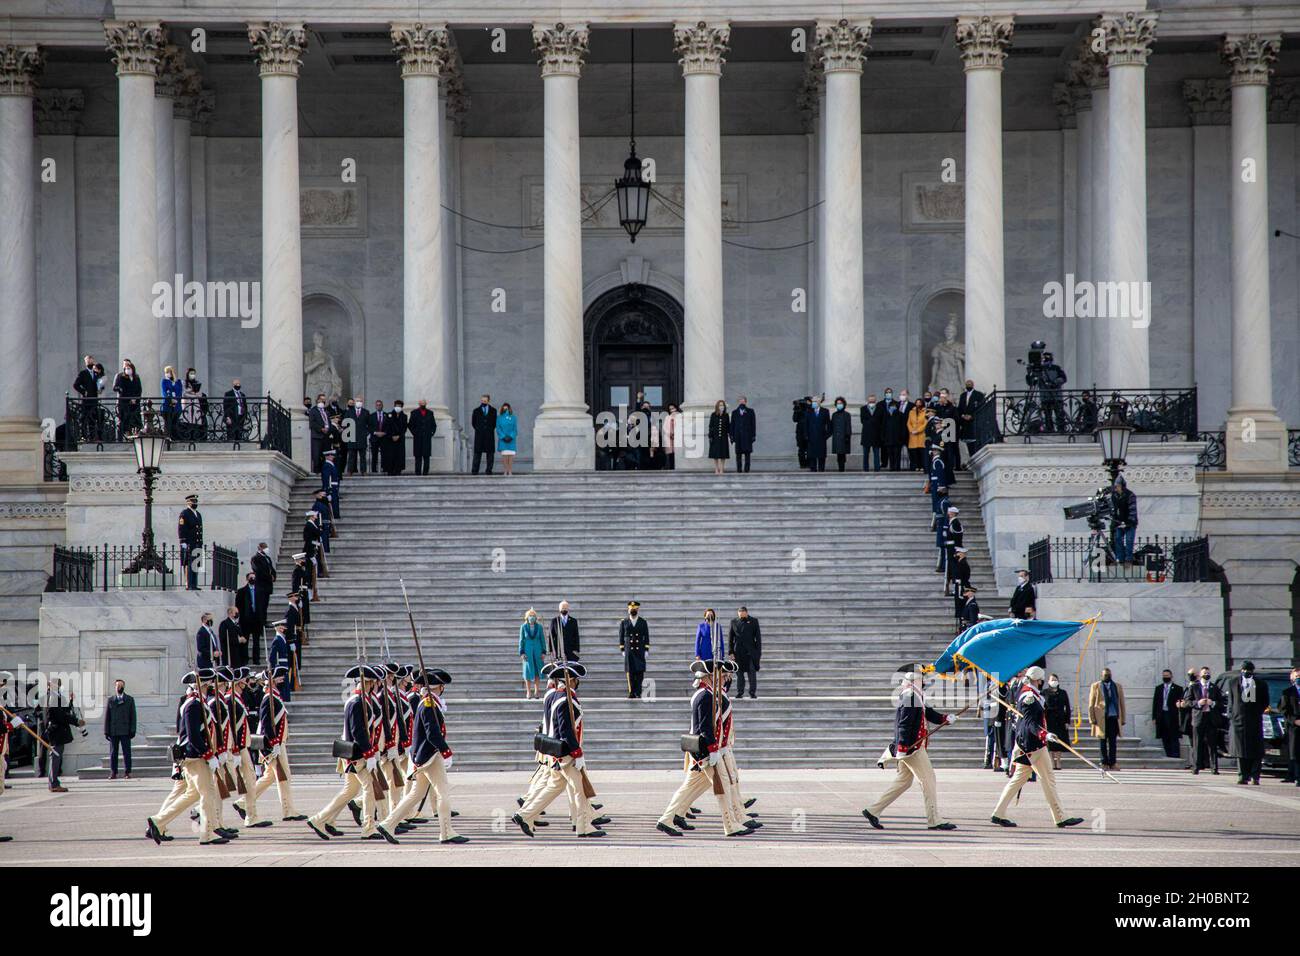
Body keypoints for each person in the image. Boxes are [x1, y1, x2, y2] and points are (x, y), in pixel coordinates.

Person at [656, 660, 750, 838]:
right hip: (705, 752)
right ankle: (730, 826)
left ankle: (666, 819)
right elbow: (704, 727)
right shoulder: (705, 696)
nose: (722, 679)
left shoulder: (708, 693)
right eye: (719, 676)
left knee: (689, 788)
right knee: (722, 788)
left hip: (705, 751)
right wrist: (713, 750)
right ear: (708, 677)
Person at [513, 662, 605, 838]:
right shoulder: (565, 700)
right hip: (566, 753)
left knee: (555, 787)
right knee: (580, 791)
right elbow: (566, 731)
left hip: (557, 753)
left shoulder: (556, 696)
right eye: (576, 680)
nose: (577, 683)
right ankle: (584, 827)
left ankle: (524, 814)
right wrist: (577, 753)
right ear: (570, 680)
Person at [375, 668, 467, 845]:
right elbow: (433, 734)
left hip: (423, 755)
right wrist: (446, 752)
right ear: (439, 687)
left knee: (416, 794)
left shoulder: (429, 702)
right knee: (443, 793)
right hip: (430, 756)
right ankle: (447, 832)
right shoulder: (429, 704)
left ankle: (388, 824)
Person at [862, 669, 957, 831]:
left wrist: (945, 719)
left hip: (912, 747)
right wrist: (903, 747)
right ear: (915, 681)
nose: (925, 683)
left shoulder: (915, 695)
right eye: (922, 681)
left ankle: (873, 810)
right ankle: (934, 819)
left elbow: (928, 713)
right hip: (912, 748)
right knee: (928, 781)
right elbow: (904, 724)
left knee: (903, 782)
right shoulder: (910, 696)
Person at [991, 666, 1085, 829]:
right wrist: (1044, 735)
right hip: (1033, 744)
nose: (1042, 682)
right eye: (1041, 680)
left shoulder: (1030, 693)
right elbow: (1030, 723)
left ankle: (998, 813)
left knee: (1020, 780)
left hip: (1029, 743)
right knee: (1048, 779)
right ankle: (1060, 817)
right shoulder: (1029, 696)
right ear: (1038, 680)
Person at [145, 669, 225, 846]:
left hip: (196, 756)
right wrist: (208, 755)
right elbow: (192, 735)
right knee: (208, 794)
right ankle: (207, 833)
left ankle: (158, 821)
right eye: (210, 683)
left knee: (192, 794)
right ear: (204, 684)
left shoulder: (199, 703)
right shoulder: (193, 705)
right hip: (195, 758)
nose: (213, 685)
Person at [307, 664, 384, 841]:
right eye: (373, 683)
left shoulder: (361, 701)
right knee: (369, 788)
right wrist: (370, 753)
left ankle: (323, 820)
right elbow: (358, 732)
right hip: (358, 755)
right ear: (369, 683)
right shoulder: (357, 703)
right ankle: (368, 828)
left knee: (349, 791)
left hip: (357, 753)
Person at [1223, 661, 1269, 785]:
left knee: (1255, 750)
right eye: (1244, 670)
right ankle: (1243, 775)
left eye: (1249, 670)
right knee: (1241, 750)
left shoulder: (1260, 683)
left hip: (1254, 720)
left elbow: (1265, 702)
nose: (1246, 672)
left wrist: (1257, 712)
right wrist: (1231, 715)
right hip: (1238, 721)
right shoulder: (1233, 682)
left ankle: (1255, 776)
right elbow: (1231, 701)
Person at [1184, 666, 1221, 774]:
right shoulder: (1194, 686)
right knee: (1197, 744)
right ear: (1200, 674)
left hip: (1211, 718)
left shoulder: (1214, 687)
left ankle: (1214, 768)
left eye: (1208, 673)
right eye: (1204, 673)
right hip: (1199, 718)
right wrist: (1198, 703)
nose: (1206, 675)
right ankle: (1196, 767)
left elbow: (1220, 702)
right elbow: (1187, 702)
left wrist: (1213, 703)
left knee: (1212, 744)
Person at [1088, 667, 1126, 770]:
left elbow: (1122, 703)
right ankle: (1104, 762)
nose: (1107, 677)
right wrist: (1092, 718)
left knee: (1113, 742)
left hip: (1113, 717)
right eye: (1105, 675)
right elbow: (1091, 703)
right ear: (1102, 676)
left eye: (1109, 675)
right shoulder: (1096, 686)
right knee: (1102, 741)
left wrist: (1123, 718)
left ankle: (1113, 763)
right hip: (1102, 718)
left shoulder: (1117, 686)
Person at [104, 679, 137, 780]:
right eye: (117, 686)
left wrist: (133, 730)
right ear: (115, 687)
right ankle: (113, 772)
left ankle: (128, 772)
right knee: (113, 753)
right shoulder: (111, 700)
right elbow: (107, 717)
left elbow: (133, 716)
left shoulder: (130, 699)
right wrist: (106, 731)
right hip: (113, 731)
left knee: (127, 752)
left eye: (121, 686)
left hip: (125, 730)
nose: (119, 688)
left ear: (124, 687)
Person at [727, 606, 761, 699]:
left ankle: (752, 692)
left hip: (750, 652)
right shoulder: (734, 622)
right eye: (739, 615)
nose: (741, 616)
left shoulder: (754, 621)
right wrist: (731, 652)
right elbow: (730, 638)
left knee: (752, 673)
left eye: (743, 615)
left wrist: (758, 653)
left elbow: (758, 638)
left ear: (746, 613)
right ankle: (740, 692)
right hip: (738, 652)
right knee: (739, 674)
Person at [619, 600, 650, 699]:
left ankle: (638, 692)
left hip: (639, 649)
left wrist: (646, 649)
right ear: (628, 610)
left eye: (635, 609)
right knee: (630, 672)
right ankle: (631, 692)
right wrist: (622, 649)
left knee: (639, 672)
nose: (633, 611)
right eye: (631, 609)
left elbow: (646, 636)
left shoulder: (643, 622)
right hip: (629, 650)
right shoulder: (624, 622)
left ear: (638, 609)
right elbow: (621, 636)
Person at [1151, 669, 1184, 760]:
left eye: (1167, 676)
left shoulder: (1178, 688)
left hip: (1172, 716)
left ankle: (1175, 756)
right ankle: (1168, 755)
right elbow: (1155, 703)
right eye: (1164, 676)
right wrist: (1154, 717)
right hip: (1161, 715)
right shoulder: (1159, 688)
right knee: (1164, 736)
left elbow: (1181, 702)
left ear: (1171, 676)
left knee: (1173, 736)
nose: (1165, 677)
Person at [1043, 674, 1072, 770]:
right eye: (1052, 680)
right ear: (1048, 681)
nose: (1054, 681)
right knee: (1050, 742)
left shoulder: (1063, 693)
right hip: (1049, 719)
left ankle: (1058, 761)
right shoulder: (1044, 692)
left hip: (1060, 719)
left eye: (1055, 679)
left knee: (1059, 741)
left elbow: (1067, 707)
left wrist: (1067, 721)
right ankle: (1051, 761)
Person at [1110, 474, 1138, 566]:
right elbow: (1113, 509)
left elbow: (1132, 510)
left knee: (1129, 539)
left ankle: (1128, 559)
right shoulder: (1114, 496)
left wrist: (1129, 522)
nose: (1116, 488)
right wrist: (1115, 520)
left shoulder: (1130, 495)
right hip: (1119, 521)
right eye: (1115, 486)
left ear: (1122, 486)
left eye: (1117, 486)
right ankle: (1119, 558)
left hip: (1129, 522)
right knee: (1118, 538)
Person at [518, 608, 546, 699]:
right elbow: (521, 640)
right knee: (528, 671)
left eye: (533, 616)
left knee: (538, 671)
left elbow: (542, 639)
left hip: (538, 651)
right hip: (527, 651)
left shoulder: (540, 627)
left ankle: (536, 692)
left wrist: (543, 651)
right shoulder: (523, 627)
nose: (532, 617)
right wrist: (521, 652)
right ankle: (528, 692)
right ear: (527, 617)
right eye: (530, 616)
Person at [235, 572, 263, 664]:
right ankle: (245, 659)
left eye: (254, 578)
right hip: (245, 620)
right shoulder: (241, 591)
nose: (253, 579)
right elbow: (238, 606)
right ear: (247, 579)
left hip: (256, 620)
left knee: (256, 641)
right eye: (251, 578)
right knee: (245, 641)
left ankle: (256, 659)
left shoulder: (259, 591)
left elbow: (263, 606)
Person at [1279, 667, 1300, 786]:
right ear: (1292, 679)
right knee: (1295, 753)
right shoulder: (1287, 692)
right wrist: (1294, 721)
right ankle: (1296, 777)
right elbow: (1284, 710)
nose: (1299, 679)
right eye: (1296, 677)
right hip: (1294, 727)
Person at [177, 493, 203, 590]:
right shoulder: (185, 513)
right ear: (188, 502)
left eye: (196, 501)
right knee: (189, 563)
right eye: (193, 501)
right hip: (189, 543)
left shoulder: (198, 514)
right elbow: (181, 528)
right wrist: (183, 541)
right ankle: (189, 584)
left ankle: (194, 584)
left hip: (197, 543)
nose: (195, 503)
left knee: (196, 564)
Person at [112, 358, 142, 440]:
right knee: (122, 421)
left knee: (134, 420)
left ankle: (133, 437)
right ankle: (120, 439)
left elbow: (139, 390)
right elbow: (116, 388)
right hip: (123, 402)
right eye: (125, 366)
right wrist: (121, 390)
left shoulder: (136, 377)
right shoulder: (120, 376)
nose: (126, 367)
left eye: (128, 366)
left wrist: (135, 399)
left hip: (134, 404)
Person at [956, 379, 985, 464]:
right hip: (965, 423)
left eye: (970, 383)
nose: (968, 385)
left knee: (974, 443)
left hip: (974, 422)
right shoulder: (963, 395)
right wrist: (962, 416)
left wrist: (972, 416)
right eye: (967, 384)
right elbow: (960, 408)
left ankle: (975, 460)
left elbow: (981, 408)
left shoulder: (979, 395)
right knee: (966, 443)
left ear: (973, 385)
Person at [1038, 350, 1067, 432]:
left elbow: (1063, 378)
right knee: (1047, 415)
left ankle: (1061, 429)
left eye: (1047, 357)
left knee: (1059, 414)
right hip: (1045, 396)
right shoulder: (1040, 370)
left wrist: (1054, 383)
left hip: (1056, 395)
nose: (1046, 359)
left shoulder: (1056, 368)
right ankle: (1049, 429)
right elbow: (1032, 382)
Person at [408, 398, 437, 475]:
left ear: (426, 404)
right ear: (419, 404)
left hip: (427, 438)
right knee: (418, 456)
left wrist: (431, 433)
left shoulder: (430, 413)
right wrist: (415, 433)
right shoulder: (414, 413)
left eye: (424, 404)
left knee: (426, 456)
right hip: (417, 437)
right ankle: (417, 472)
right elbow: (410, 425)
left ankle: (425, 472)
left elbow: (433, 425)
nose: (422, 405)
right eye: (421, 404)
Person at [342, 396, 369, 474]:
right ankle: (350, 471)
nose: (359, 402)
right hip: (352, 436)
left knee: (363, 456)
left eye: (360, 401)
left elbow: (369, 424)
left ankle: (363, 471)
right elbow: (345, 424)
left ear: (362, 402)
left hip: (362, 437)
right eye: (357, 401)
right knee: (351, 456)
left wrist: (366, 433)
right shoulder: (349, 412)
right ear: (354, 402)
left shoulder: (366, 412)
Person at [471, 394, 497, 475]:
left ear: (488, 401)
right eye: (482, 401)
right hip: (479, 435)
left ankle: (489, 470)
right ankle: (475, 470)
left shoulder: (493, 410)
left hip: (489, 435)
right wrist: (479, 429)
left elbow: (494, 423)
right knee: (477, 453)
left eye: (485, 401)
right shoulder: (476, 410)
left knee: (490, 453)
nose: (483, 402)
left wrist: (489, 429)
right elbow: (473, 423)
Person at [879, 389, 904, 471]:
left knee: (897, 454)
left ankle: (897, 467)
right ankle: (892, 467)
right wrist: (883, 437)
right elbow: (883, 427)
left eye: (894, 407)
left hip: (897, 440)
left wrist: (902, 437)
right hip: (888, 439)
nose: (892, 408)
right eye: (891, 407)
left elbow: (902, 427)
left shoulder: (900, 415)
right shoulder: (886, 415)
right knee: (890, 454)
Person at [803, 396, 830, 472]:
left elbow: (829, 425)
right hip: (811, 438)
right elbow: (806, 425)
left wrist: (826, 436)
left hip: (821, 437)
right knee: (812, 456)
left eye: (815, 401)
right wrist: (806, 436)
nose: (813, 403)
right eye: (813, 401)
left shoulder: (825, 411)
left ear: (819, 402)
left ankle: (821, 470)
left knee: (821, 456)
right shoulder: (808, 412)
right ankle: (813, 470)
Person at [729, 396, 756, 472]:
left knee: (747, 454)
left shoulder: (750, 411)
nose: (742, 402)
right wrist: (731, 435)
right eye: (740, 401)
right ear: (738, 402)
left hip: (747, 436)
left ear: (745, 402)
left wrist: (753, 435)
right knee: (738, 454)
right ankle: (739, 469)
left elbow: (753, 424)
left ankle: (747, 469)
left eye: (743, 401)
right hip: (738, 436)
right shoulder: (734, 412)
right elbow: (732, 425)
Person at [382, 400, 408, 475]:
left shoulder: (404, 416)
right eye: (396, 406)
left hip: (400, 440)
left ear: (402, 407)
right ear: (394, 406)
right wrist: (391, 436)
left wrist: (399, 436)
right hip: (390, 439)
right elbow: (386, 427)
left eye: (399, 406)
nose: (398, 407)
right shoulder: (389, 415)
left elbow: (404, 428)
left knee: (399, 456)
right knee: (390, 456)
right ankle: (390, 471)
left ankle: (398, 471)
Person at [860, 393, 883, 471]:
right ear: (868, 401)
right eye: (870, 401)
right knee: (865, 454)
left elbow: (881, 421)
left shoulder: (880, 408)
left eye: (873, 401)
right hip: (866, 435)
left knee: (876, 454)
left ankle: (877, 469)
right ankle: (865, 469)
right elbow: (863, 420)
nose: (871, 402)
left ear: (875, 401)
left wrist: (873, 422)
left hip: (876, 435)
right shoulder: (863, 409)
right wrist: (872, 421)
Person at [308, 393, 331, 473]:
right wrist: (321, 429)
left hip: (326, 436)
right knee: (316, 455)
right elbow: (312, 423)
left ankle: (325, 470)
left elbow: (329, 422)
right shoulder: (313, 411)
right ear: (317, 400)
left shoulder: (326, 411)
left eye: (324, 399)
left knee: (326, 455)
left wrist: (329, 429)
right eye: (321, 399)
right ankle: (316, 471)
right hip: (317, 436)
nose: (323, 401)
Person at [906, 398, 930, 471]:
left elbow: (925, 423)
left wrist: (918, 430)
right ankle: (915, 466)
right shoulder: (911, 412)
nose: (918, 404)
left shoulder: (925, 412)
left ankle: (922, 466)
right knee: (913, 452)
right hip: (912, 435)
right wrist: (911, 430)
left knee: (921, 452)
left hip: (921, 435)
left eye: (919, 403)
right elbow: (908, 423)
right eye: (917, 403)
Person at [708, 400, 731, 475]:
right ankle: (716, 469)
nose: (722, 407)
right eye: (720, 405)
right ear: (717, 406)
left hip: (723, 437)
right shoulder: (713, 415)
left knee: (723, 454)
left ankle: (722, 469)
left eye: (723, 405)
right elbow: (711, 426)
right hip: (715, 437)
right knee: (716, 454)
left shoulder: (726, 415)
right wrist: (710, 436)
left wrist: (730, 435)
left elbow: (728, 426)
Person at [830, 396, 852, 471]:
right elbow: (832, 426)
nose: (839, 405)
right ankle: (840, 468)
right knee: (838, 454)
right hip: (836, 437)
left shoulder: (847, 414)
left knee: (842, 453)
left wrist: (847, 436)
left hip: (844, 437)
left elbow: (848, 426)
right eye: (838, 403)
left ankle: (842, 469)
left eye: (841, 403)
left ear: (844, 404)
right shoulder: (834, 415)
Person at [496, 402, 518, 475]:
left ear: (509, 408)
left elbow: (515, 429)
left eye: (507, 408)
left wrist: (511, 436)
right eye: (504, 408)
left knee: (511, 456)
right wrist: (503, 436)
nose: (505, 409)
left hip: (511, 440)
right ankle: (505, 470)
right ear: (502, 408)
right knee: (505, 456)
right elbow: (498, 429)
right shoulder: (499, 418)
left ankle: (510, 470)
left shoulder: (513, 417)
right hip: (503, 439)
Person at [160, 365, 182, 435]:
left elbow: (179, 392)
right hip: (167, 406)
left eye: (168, 372)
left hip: (177, 406)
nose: (167, 374)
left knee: (175, 423)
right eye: (166, 372)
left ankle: (175, 437)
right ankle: (168, 437)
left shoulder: (178, 381)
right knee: (167, 424)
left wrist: (176, 400)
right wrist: (170, 399)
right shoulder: (164, 381)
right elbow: (164, 392)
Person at [321, 448, 341, 521]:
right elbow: (326, 479)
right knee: (333, 504)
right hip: (331, 488)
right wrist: (328, 491)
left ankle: (336, 516)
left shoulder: (331, 465)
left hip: (334, 487)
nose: (333, 457)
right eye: (331, 455)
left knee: (335, 503)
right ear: (327, 456)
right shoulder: (327, 465)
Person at [369, 400, 387, 472]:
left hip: (384, 438)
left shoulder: (387, 415)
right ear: (375, 406)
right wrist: (375, 433)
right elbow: (369, 427)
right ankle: (374, 469)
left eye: (380, 405)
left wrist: (385, 433)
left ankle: (384, 468)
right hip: (374, 438)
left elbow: (389, 426)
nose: (379, 406)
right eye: (377, 405)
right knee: (374, 455)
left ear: (382, 406)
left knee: (384, 454)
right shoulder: (371, 416)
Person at [662, 403, 680, 470]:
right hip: (669, 437)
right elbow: (664, 427)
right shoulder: (667, 417)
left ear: (676, 408)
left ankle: (678, 467)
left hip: (677, 437)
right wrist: (669, 433)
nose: (672, 410)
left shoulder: (680, 416)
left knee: (677, 453)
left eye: (673, 408)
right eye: (670, 409)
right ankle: (671, 467)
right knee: (670, 454)